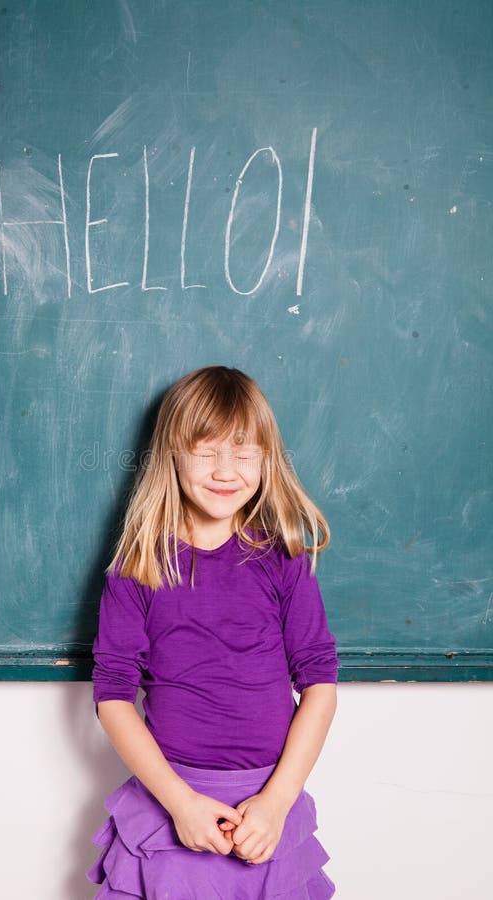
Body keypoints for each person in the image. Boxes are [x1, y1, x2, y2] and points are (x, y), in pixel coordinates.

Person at [86, 365, 339, 899]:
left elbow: (319, 683)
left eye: (244, 452)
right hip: (173, 803)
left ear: (267, 459)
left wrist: (275, 804)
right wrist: (180, 804)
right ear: (172, 456)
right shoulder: (138, 568)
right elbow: (112, 696)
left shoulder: (284, 560)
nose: (226, 470)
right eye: (206, 451)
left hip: (267, 811)